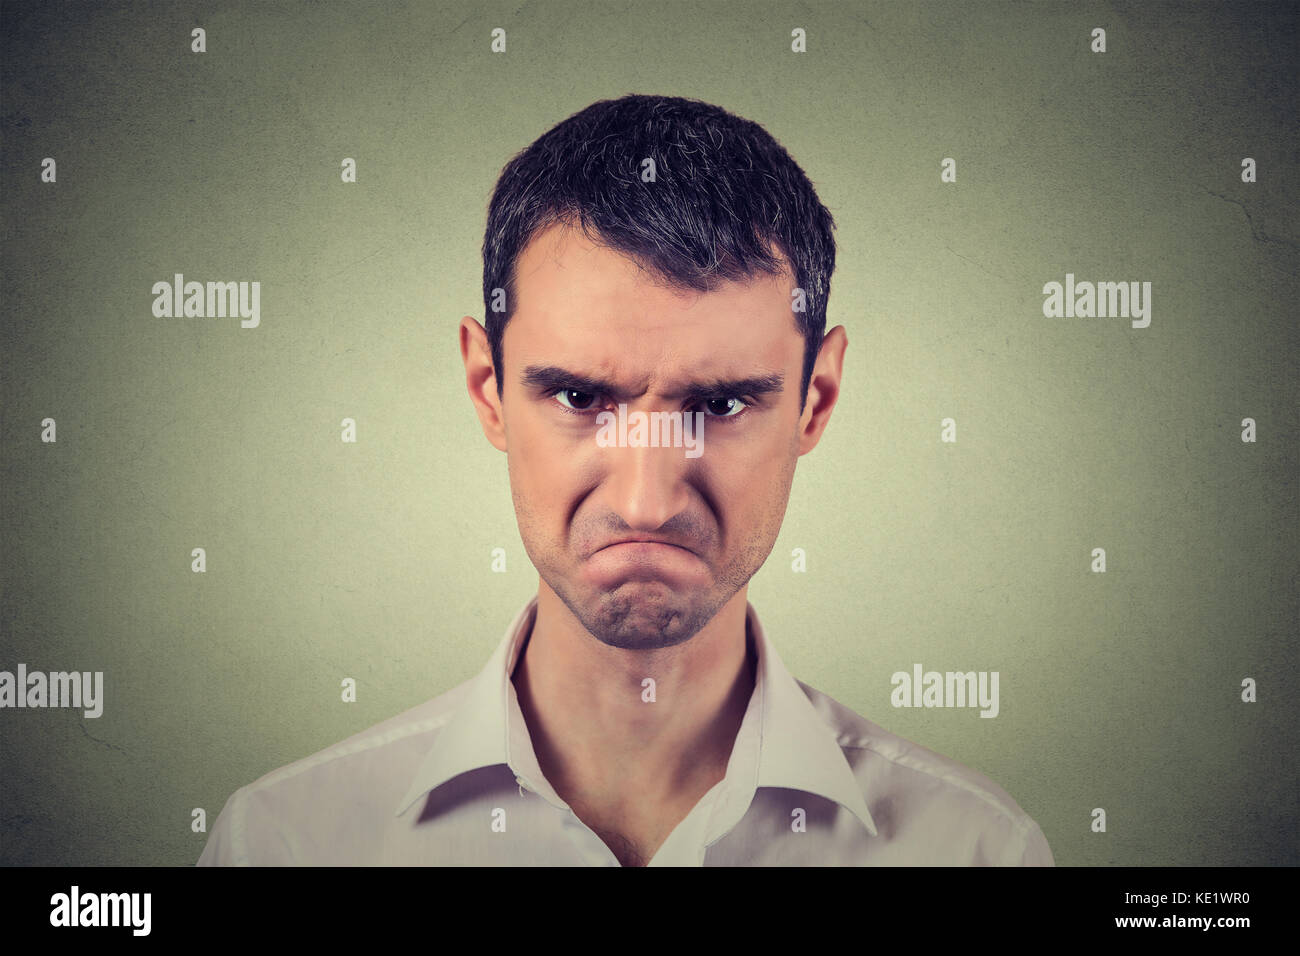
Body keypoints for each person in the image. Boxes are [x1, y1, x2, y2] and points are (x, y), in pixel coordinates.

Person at [198, 94, 1053, 866]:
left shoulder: (977, 851)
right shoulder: (281, 844)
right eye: (577, 396)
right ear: (486, 389)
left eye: (720, 404)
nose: (646, 502)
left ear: (815, 400)